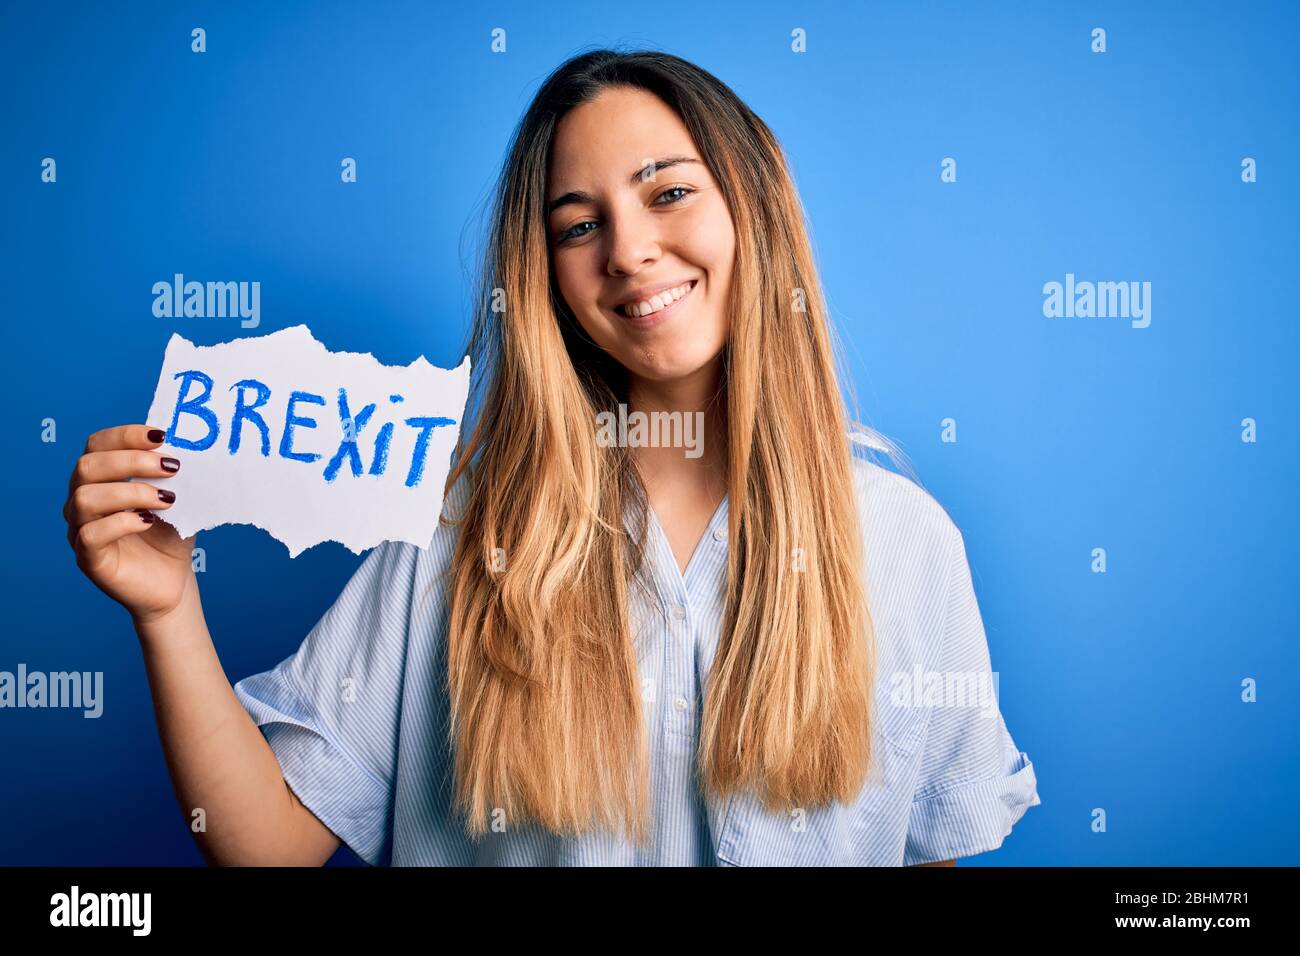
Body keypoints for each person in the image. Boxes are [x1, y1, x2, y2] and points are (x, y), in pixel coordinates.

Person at [62, 49, 1039, 866]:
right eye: (578, 224)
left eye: (667, 192)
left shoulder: (906, 545)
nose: (627, 249)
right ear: (546, 278)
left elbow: (928, 849)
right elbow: (262, 841)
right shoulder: (452, 537)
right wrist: (168, 607)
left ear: (754, 207)